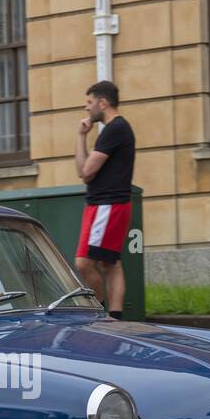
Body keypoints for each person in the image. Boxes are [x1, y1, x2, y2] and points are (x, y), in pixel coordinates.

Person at [73, 80, 136, 320]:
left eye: (89, 102)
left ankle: (100, 314)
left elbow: (87, 172)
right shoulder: (110, 131)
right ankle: (111, 316)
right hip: (101, 205)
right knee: (110, 263)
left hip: (108, 205)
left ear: (103, 102)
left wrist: (83, 141)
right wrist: (81, 137)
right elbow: (83, 172)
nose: (86, 108)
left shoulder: (116, 129)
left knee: (85, 263)